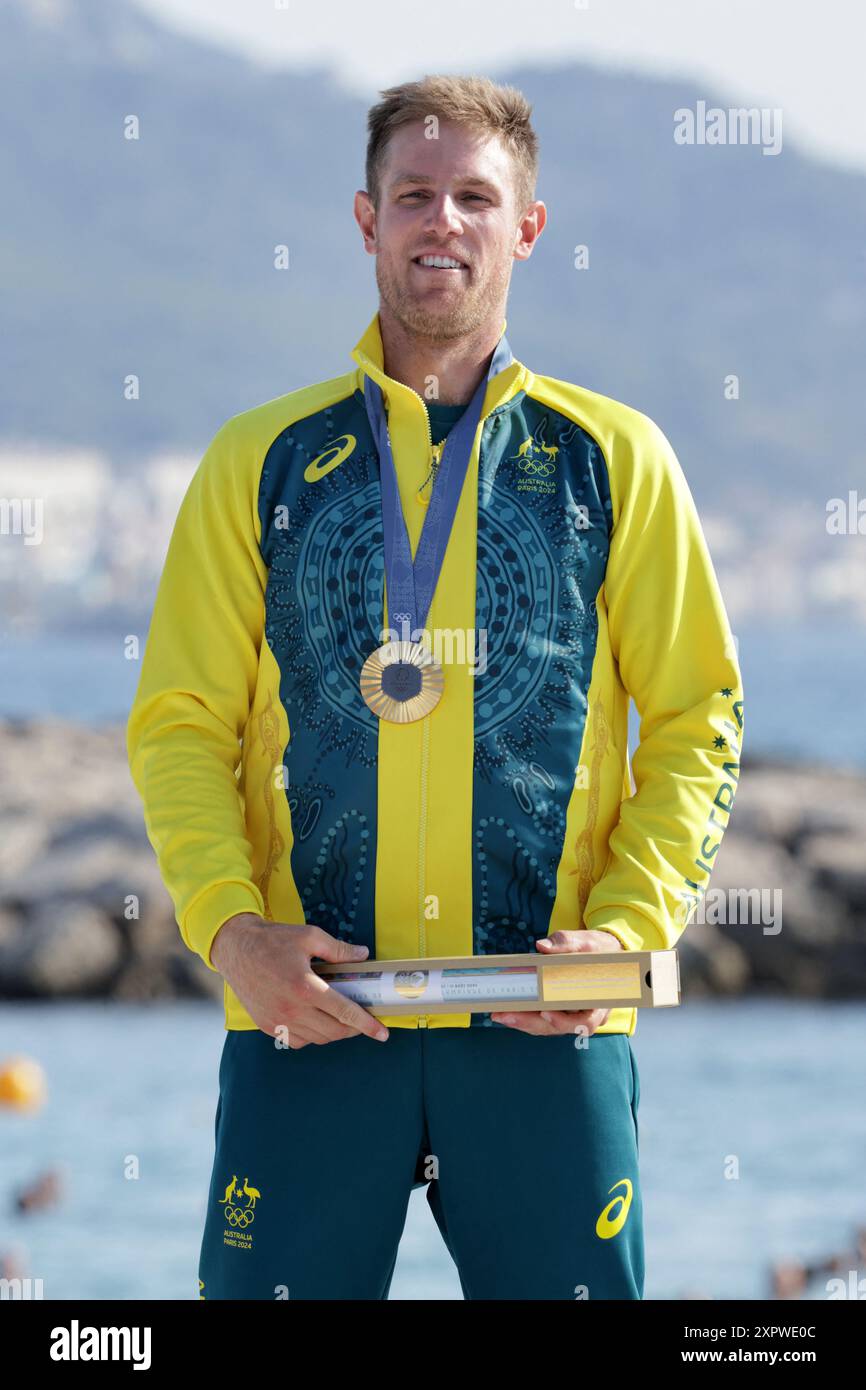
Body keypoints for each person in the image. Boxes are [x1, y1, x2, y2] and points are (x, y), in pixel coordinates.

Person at [126, 73, 744, 1301]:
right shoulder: (258, 462)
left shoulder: (615, 460)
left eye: (474, 196)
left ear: (526, 227)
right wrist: (231, 931)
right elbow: (180, 725)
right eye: (414, 195)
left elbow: (693, 722)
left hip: (543, 1027)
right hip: (308, 1016)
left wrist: (625, 930)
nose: (441, 222)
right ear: (366, 220)